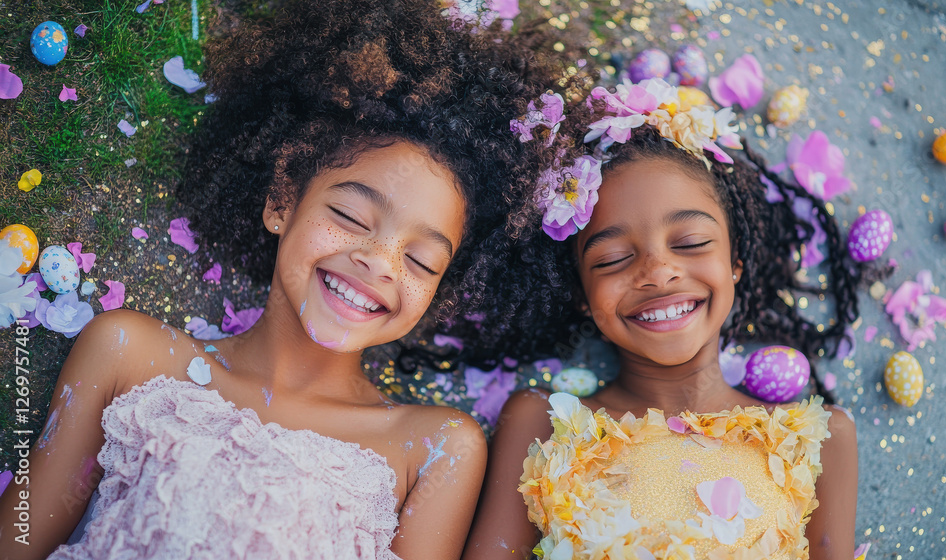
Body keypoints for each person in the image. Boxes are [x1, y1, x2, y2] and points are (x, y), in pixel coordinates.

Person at [0, 1, 575, 558]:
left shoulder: (435, 449)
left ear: (439, 291)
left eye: (421, 261)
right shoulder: (126, 354)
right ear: (281, 201)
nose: (380, 262)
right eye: (349, 216)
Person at [464, 78, 862, 560]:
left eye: (691, 243)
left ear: (735, 261)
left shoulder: (820, 441)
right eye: (612, 259)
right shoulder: (543, 426)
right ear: (581, 295)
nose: (657, 272)